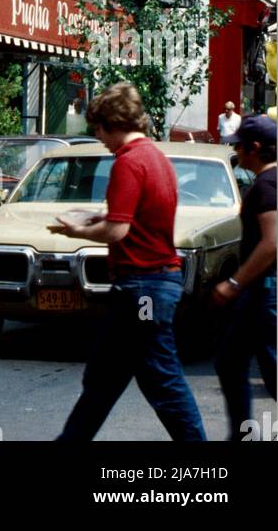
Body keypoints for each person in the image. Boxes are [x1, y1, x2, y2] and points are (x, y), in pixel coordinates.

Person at [50, 82, 206, 442]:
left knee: (160, 376)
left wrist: (76, 231)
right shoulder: (155, 157)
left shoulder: (128, 162)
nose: (99, 138)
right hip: (145, 288)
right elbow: (133, 218)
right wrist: (95, 218)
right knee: (103, 378)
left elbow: (118, 230)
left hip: (143, 289)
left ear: (112, 124)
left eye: (99, 130)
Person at [213, 114, 277, 440]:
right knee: (230, 362)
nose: (235, 149)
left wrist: (234, 283)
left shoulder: (266, 186)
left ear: (254, 147)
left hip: (262, 292)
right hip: (259, 293)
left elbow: (271, 244)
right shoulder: (271, 181)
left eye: (239, 144)